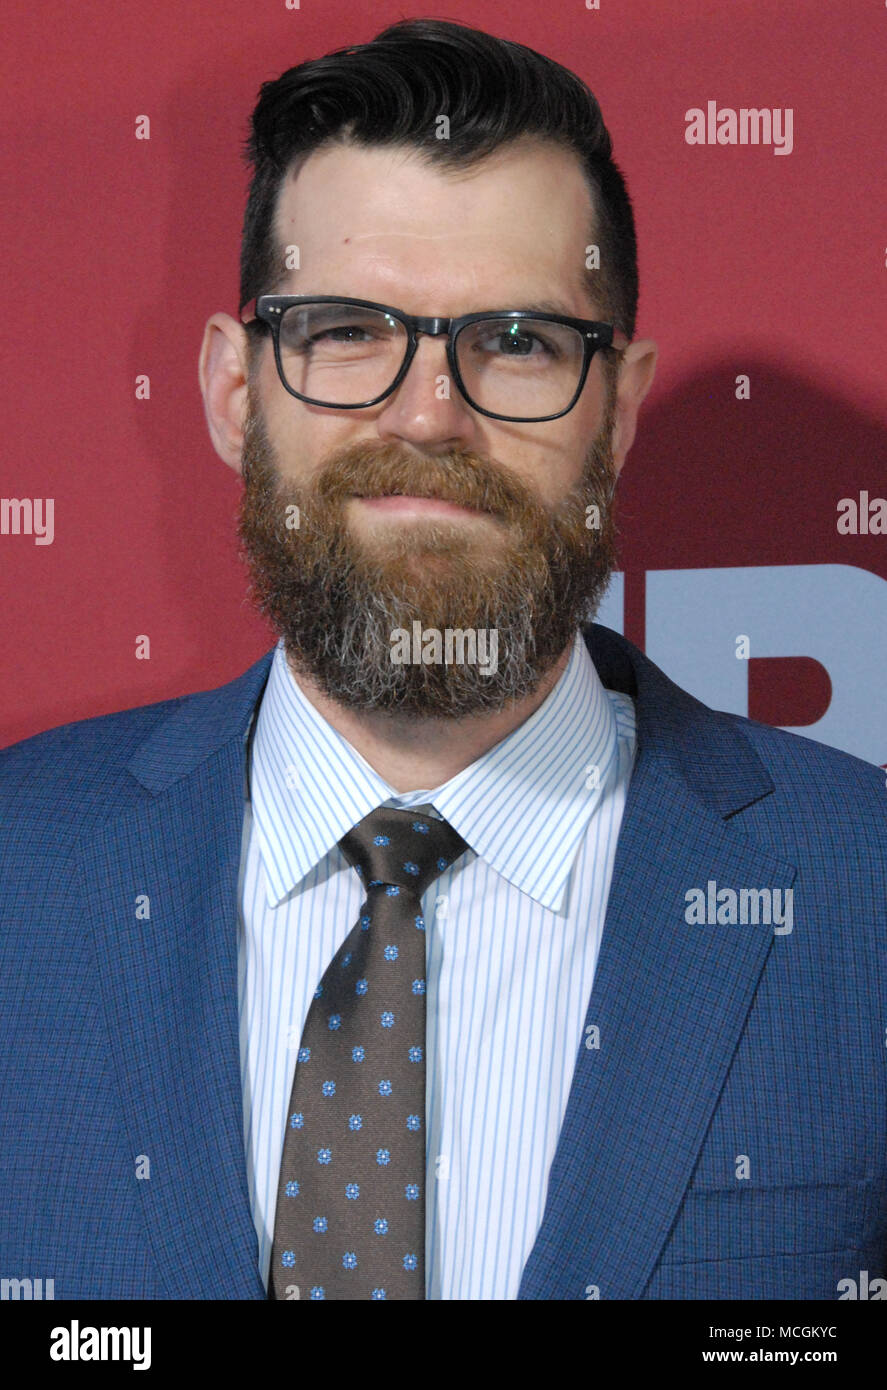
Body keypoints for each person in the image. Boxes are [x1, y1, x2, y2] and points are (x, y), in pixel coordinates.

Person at [1, 18, 884, 1302]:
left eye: (518, 341)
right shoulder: (18, 876)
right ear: (234, 393)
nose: (429, 413)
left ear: (619, 409)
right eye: (349, 330)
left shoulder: (861, 891)